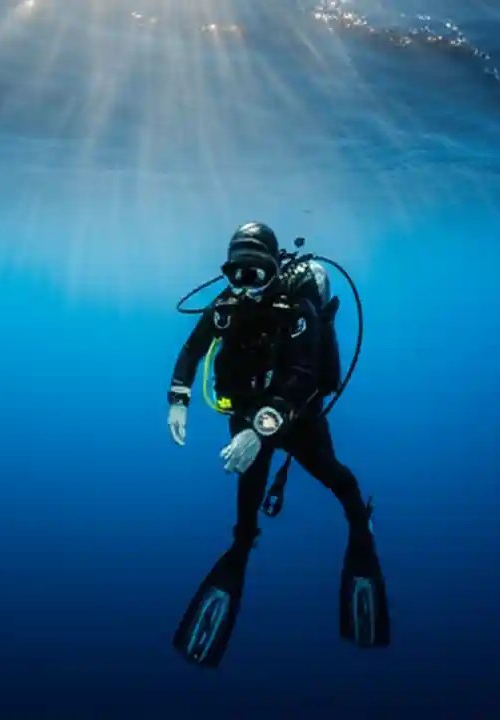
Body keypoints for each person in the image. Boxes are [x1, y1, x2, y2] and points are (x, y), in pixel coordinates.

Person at [165, 221, 390, 667]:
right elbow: (192, 350)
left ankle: (358, 526)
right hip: (247, 420)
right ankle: (241, 546)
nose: (246, 287)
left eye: (257, 274)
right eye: (237, 274)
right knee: (245, 512)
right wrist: (178, 399)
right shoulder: (226, 305)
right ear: (227, 273)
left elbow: (303, 375)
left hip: (299, 421)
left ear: (273, 269)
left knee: (337, 478)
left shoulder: (297, 308)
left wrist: (259, 430)